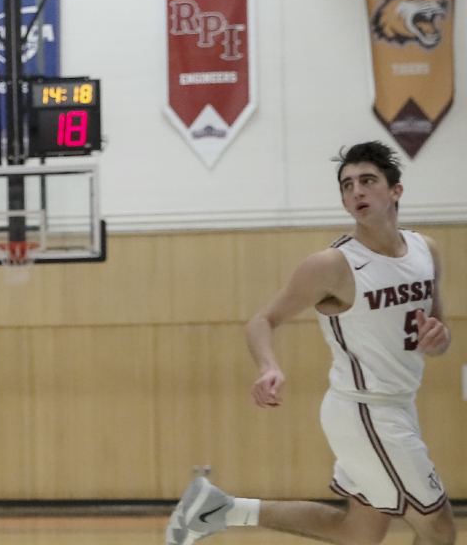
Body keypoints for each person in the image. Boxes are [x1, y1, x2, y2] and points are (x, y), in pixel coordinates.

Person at [167, 142, 453, 545]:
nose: (356, 191)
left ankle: (218, 509)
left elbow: (439, 338)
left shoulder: (427, 251)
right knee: (439, 530)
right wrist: (269, 366)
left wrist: (438, 338)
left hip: (400, 405)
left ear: (396, 191)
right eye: (347, 185)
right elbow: (262, 321)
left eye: (367, 181)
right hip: (364, 410)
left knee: (358, 532)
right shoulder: (333, 265)